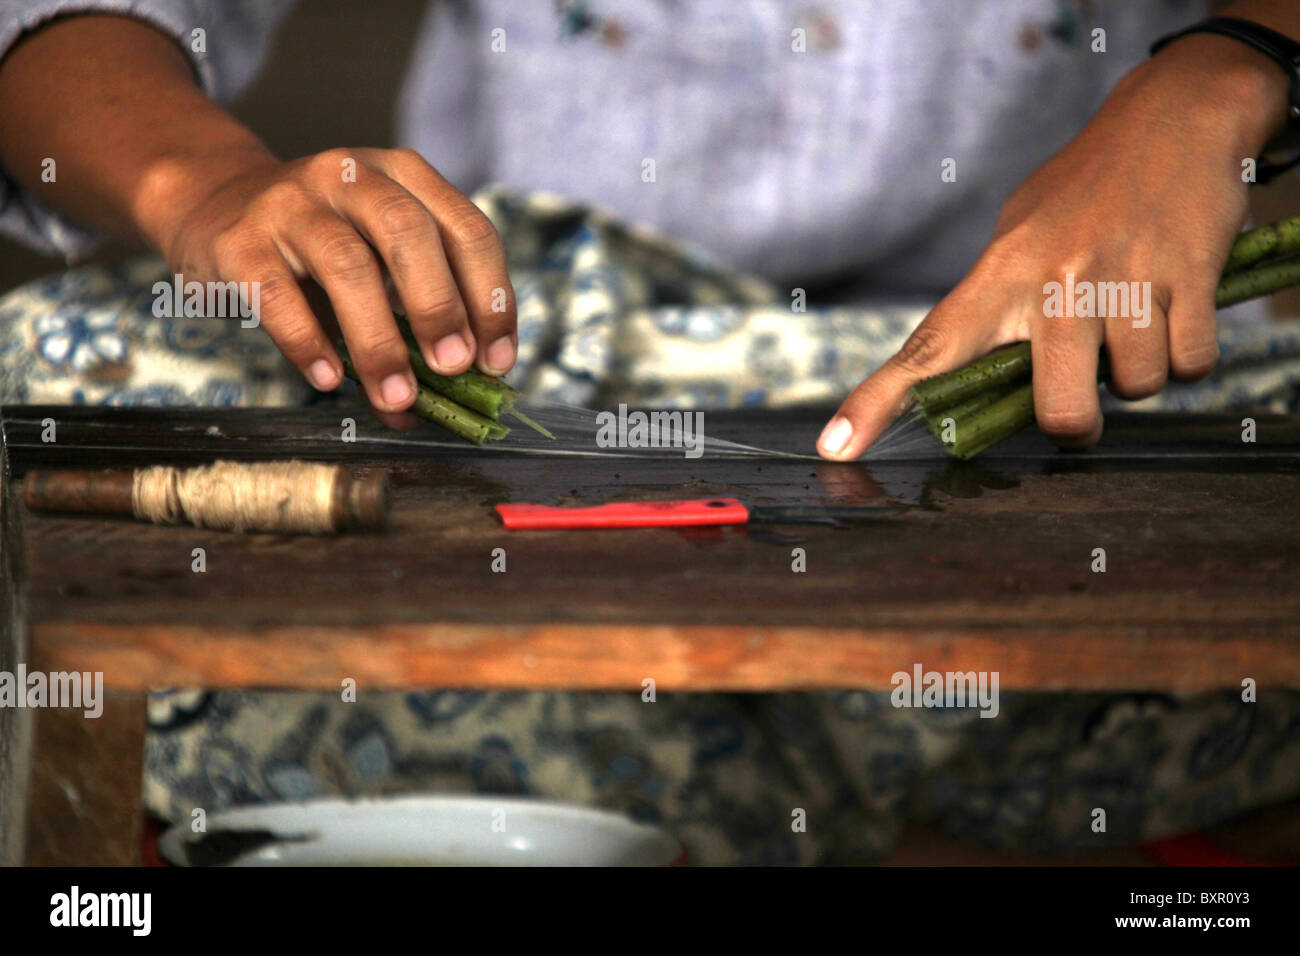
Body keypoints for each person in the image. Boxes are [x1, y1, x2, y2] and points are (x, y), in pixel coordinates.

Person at [3, 1, 1299, 863]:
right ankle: (908, 762)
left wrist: (1226, 71)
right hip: (533, 333)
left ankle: (662, 763)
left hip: (1041, 348)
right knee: (40, 372)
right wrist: (205, 183)